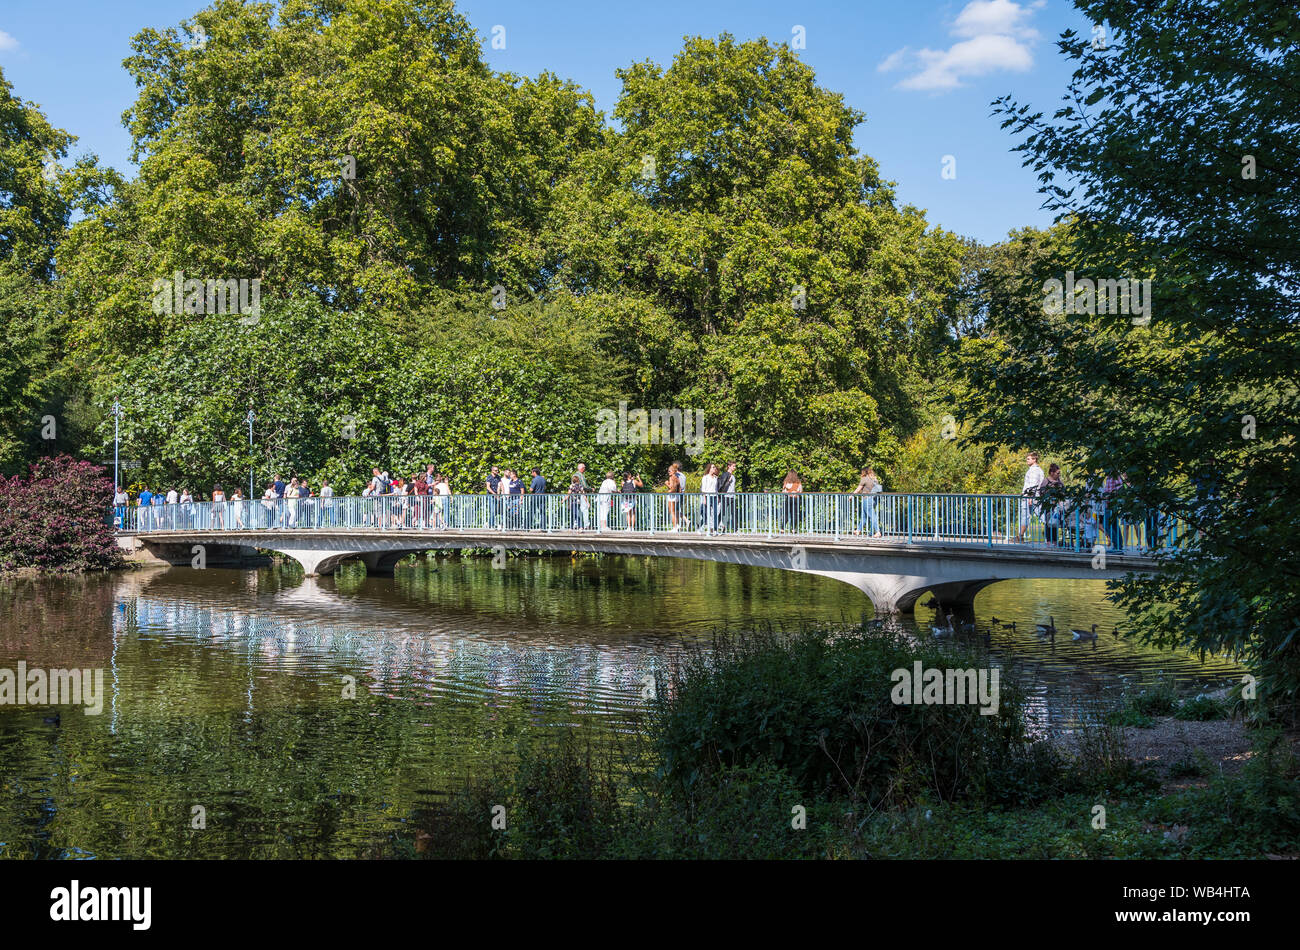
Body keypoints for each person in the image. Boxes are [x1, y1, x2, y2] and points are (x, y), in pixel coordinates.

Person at [1016, 451, 1045, 543]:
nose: (1027, 461)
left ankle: (1020, 537)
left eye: (1028, 459)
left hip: (1031, 498)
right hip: (1034, 497)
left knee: (1026, 516)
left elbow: (1033, 484)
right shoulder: (1037, 469)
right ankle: (1020, 536)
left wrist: (1029, 496)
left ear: (1034, 459)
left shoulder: (1034, 470)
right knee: (1041, 516)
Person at [1040, 464, 1066, 546]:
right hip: (1048, 506)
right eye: (1057, 473)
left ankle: (1055, 540)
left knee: (1055, 523)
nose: (1059, 475)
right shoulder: (1046, 481)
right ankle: (1049, 540)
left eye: (1059, 473)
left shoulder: (1059, 482)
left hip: (1057, 507)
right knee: (1049, 523)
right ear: (1052, 473)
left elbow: (1064, 491)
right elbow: (1042, 492)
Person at [853, 467, 883, 537]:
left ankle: (878, 531)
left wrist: (852, 495)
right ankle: (858, 530)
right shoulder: (874, 479)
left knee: (872, 515)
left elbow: (858, 489)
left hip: (867, 499)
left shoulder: (864, 479)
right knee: (864, 516)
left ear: (864, 472)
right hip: (874, 499)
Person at [715, 462, 736, 532]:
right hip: (726, 496)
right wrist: (720, 495)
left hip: (732, 496)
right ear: (729, 466)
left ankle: (735, 529)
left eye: (735, 466)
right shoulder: (725, 474)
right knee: (722, 512)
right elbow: (721, 485)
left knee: (734, 512)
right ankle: (716, 527)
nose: (734, 468)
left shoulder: (733, 476)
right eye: (733, 466)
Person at [699, 464, 719, 532]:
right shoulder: (705, 477)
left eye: (714, 467)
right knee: (706, 513)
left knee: (715, 513)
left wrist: (718, 496)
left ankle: (715, 529)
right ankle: (701, 528)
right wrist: (704, 498)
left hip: (715, 496)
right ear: (709, 469)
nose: (714, 468)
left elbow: (716, 488)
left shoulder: (716, 477)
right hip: (707, 496)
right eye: (713, 467)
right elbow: (703, 489)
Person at [664, 462, 683, 531]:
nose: (668, 472)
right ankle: (677, 525)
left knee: (672, 512)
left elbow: (672, 488)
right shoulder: (677, 478)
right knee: (674, 511)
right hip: (677, 496)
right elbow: (679, 489)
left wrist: (667, 484)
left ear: (673, 471)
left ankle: (674, 527)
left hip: (672, 496)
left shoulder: (671, 478)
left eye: (669, 471)